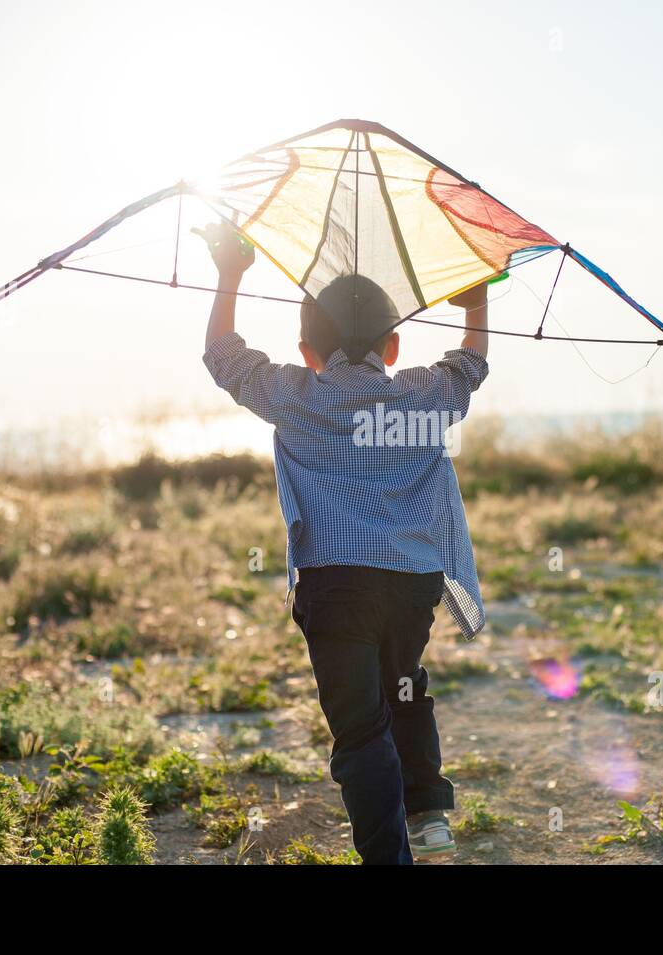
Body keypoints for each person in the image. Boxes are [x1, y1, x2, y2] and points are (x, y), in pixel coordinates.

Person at [198, 222, 490, 864]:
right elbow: (469, 366)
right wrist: (476, 303)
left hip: (335, 587)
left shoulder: (295, 396)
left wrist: (231, 274)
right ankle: (427, 808)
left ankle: (389, 856)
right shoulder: (422, 396)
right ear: (392, 346)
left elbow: (222, 355)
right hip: (411, 585)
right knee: (404, 686)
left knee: (361, 729)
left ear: (306, 350)